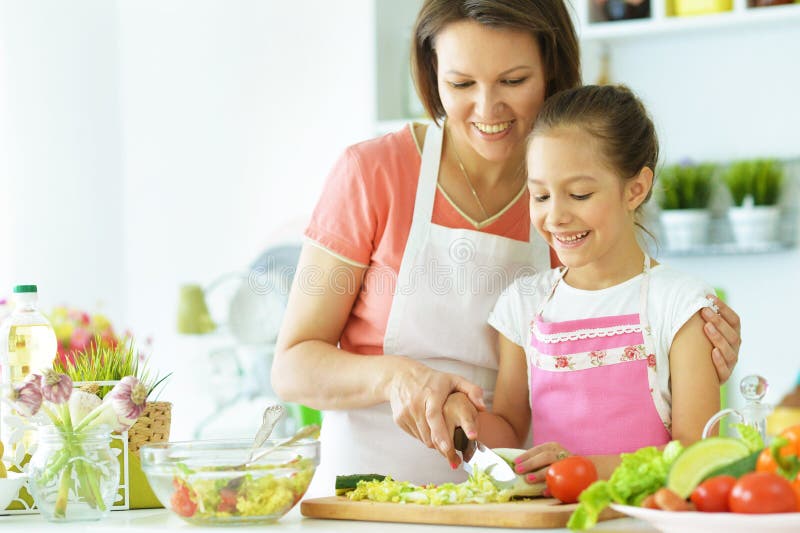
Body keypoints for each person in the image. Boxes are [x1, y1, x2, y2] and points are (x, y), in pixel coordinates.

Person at [271, 0, 741, 495]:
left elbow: (623, 314)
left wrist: (682, 343)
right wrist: (398, 379)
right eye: (460, 84)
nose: (487, 109)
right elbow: (293, 366)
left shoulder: (571, 195)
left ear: (551, 70)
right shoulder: (373, 175)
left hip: (517, 500)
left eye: (513, 81)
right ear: (433, 76)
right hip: (372, 494)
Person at [442, 84, 721, 480]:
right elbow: (508, 428)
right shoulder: (525, 303)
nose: (555, 216)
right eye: (540, 196)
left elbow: (698, 455)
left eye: (579, 194)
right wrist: (460, 417)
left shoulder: (680, 304)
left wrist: (583, 469)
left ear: (635, 189)